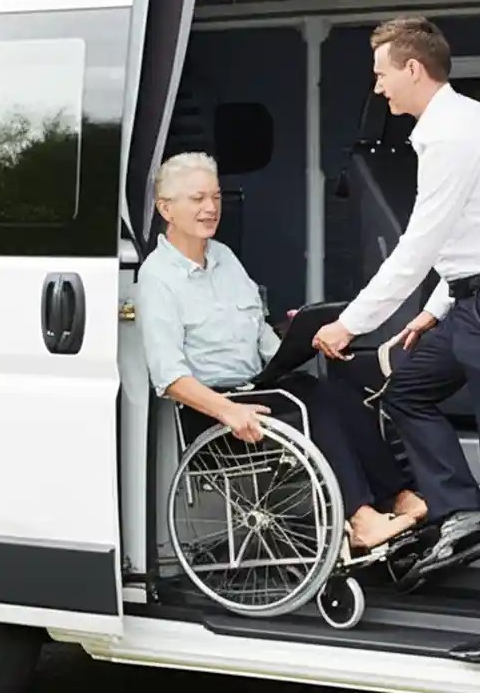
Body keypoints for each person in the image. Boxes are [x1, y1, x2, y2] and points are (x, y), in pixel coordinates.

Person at [311, 17, 480, 663]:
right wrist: (433, 311)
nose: (378, 86)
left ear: (413, 70)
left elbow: (420, 243)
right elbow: (477, 233)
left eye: (382, 72)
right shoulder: (473, 123)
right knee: (407, 388)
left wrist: (352, 323)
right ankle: (460, 509)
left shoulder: (449, 136)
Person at [136, 151, 427, 550]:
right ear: (165, 208)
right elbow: (168, 377)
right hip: (217, 409)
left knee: (341, 388)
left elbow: (260, 335)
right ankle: (361, 519)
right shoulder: (157, 279)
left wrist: (292, 349)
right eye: (198, 199)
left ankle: (396, 496)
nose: (211, 208)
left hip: (259, 384)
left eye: (217, 197)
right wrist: (229, 411)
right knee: (315, 403)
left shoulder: (225, 258)